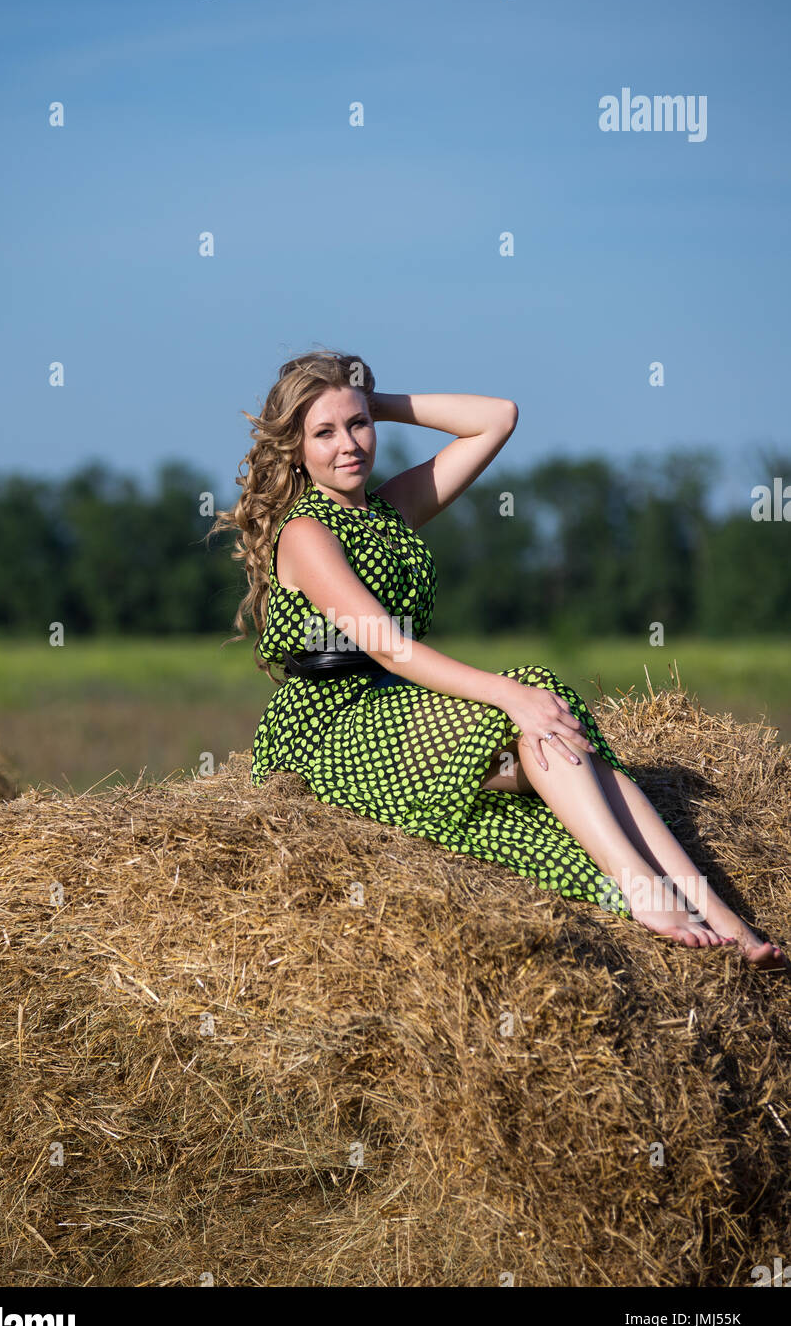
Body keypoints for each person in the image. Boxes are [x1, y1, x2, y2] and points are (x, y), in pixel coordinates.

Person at [211, 349, 785, 970]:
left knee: (567, 741)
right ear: (295, 448)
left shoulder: (389, 510)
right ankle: (640, 887)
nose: (348, 443)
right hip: (330, 728)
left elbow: (498, 418)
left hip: (389, 705)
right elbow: (386, 645)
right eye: (323, 432)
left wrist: (373, 399)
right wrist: (506, 694)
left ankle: (713, 907)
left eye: (358, 424)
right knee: (528, 702)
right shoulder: (306, 533)